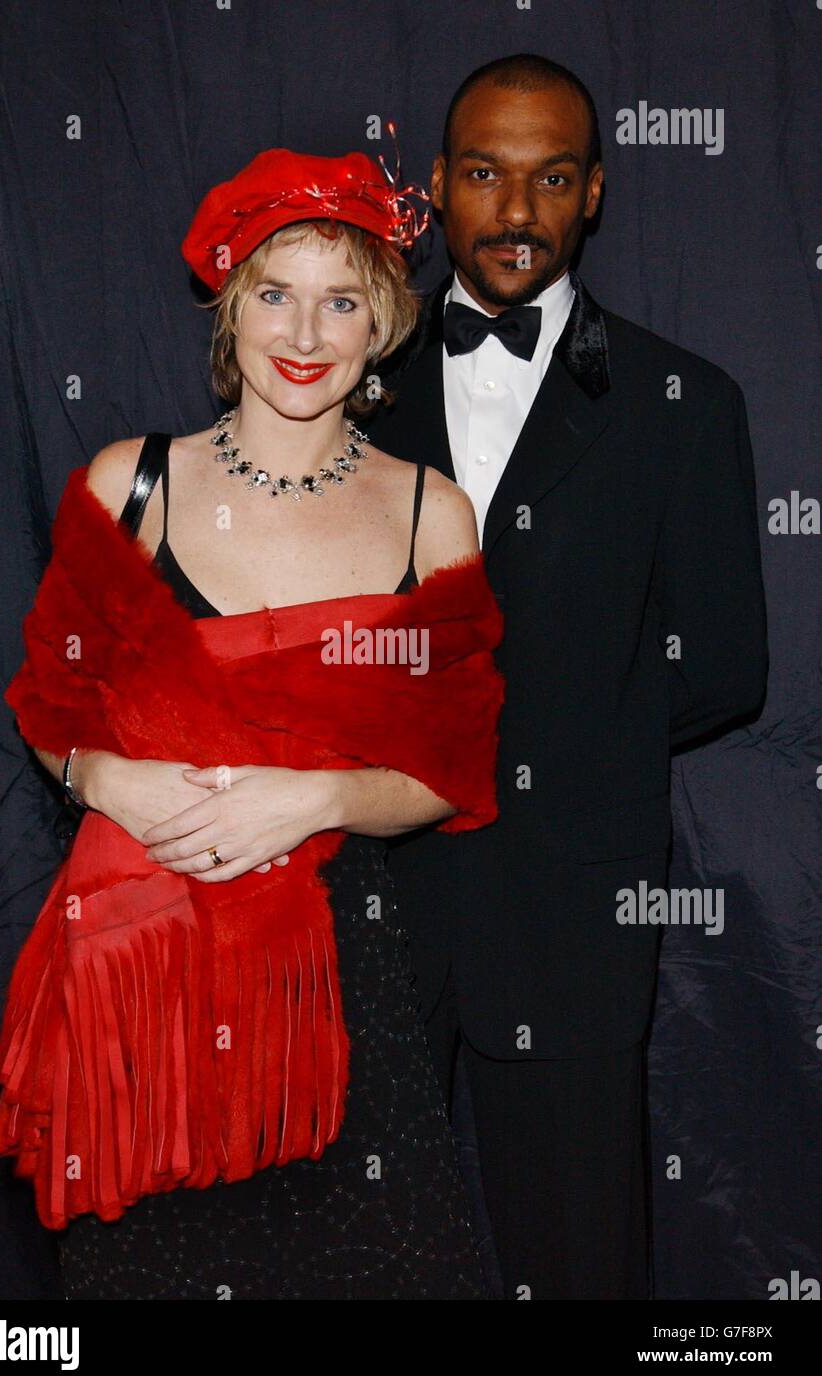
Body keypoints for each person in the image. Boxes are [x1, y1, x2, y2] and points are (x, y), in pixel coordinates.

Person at [0, 146, 506, 1299]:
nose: (304, 331)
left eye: (341, 300)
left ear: (384, 327)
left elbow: (454, 765)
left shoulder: (432, 515)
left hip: (344, 990)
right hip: (146, 1000)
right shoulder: (132, 485)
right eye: (275, 292)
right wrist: (102, 778)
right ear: (231, 308)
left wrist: (317, 797)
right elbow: (45, 704)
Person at [367, 54, 768, 1300]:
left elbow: (724, 668)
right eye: (486, 174)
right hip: (360, 897)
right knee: (348, 1253)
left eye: (551, 178)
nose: (518, 211)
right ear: (438, 188)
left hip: (577, 906)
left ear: (594, 193)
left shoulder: (684, 404)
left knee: (580, 1262)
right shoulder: (339, 392)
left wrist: (559, 742)